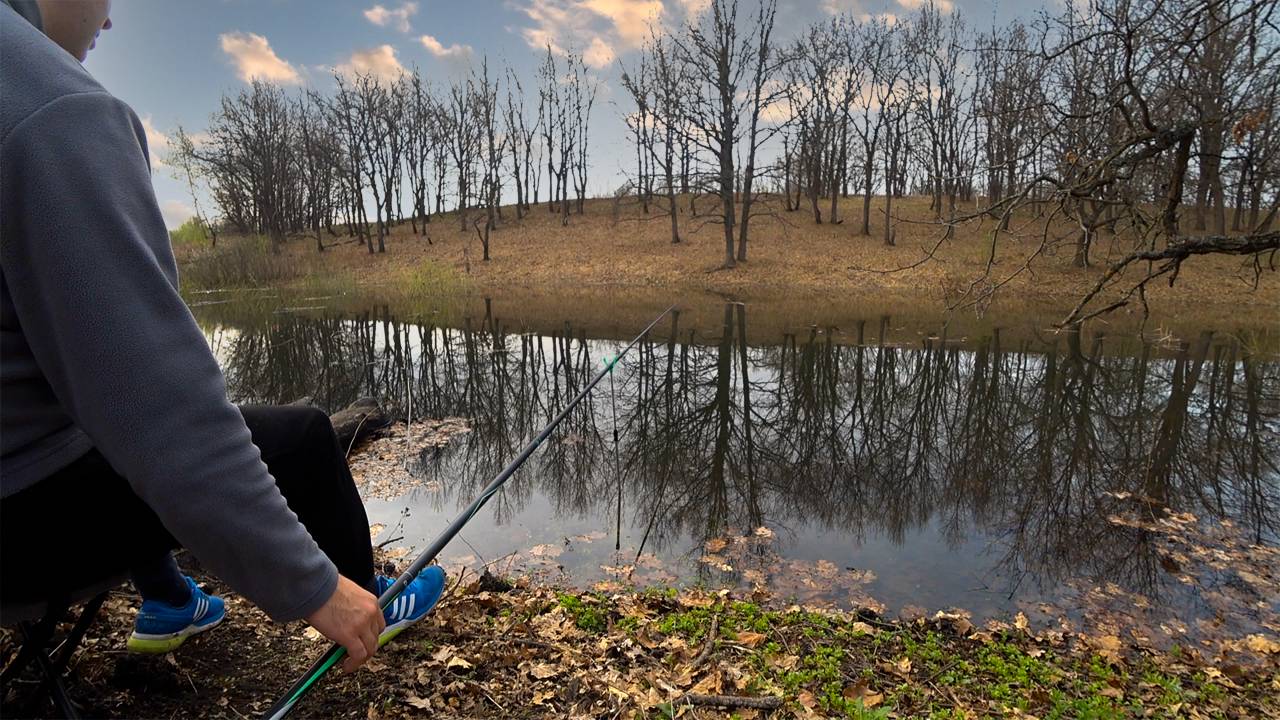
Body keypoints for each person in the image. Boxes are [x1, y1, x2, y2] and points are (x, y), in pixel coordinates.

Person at [0, 0, 443, 673]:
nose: (111, 23)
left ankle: (172, 599)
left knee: (95, 424)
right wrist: (314, 586)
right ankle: (371, 602)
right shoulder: (55, 108)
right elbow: (162, 414)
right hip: (21, 526)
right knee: (304, 434)